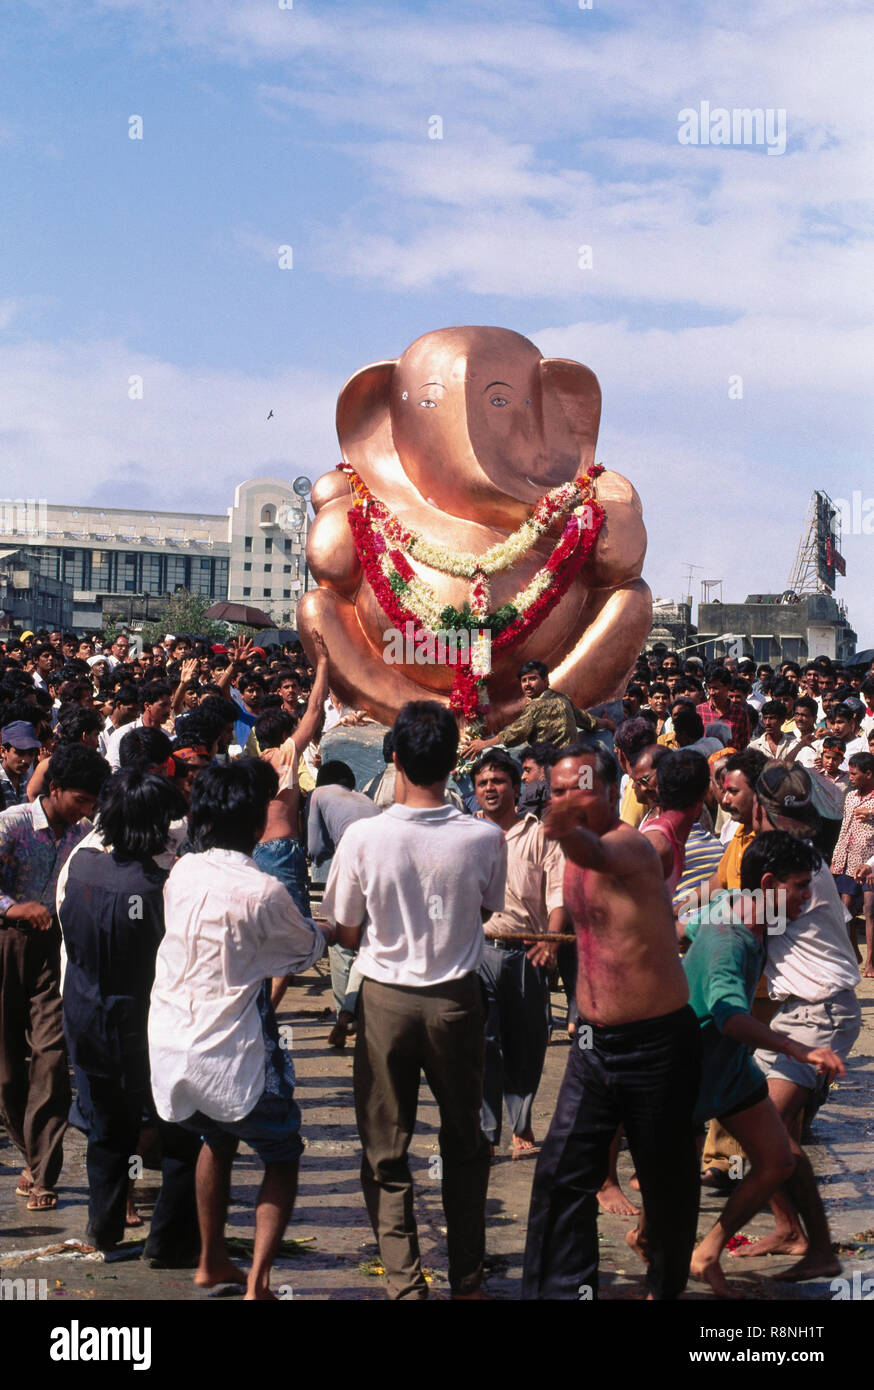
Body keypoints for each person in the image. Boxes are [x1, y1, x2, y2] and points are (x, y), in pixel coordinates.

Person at [322, 700, 507, 1300]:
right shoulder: (484, 836)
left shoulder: (363, 837)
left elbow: (346, 930)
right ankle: (468, 1280)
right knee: (466, 1145)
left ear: (394, 759)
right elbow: (481, 914)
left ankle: (405, 1284)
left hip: (386, 1001)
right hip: (456, 1001)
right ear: (455, 761)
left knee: (384, 1149)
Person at [520, 742, 701, 1300]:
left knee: (666, 1183)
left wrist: (563, 826)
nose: (567, 799)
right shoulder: (569, 850)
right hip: (593, 1046)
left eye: (580, 789)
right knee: (559, 1176)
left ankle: (663, 1288)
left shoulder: (631, 847)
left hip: (656, 1043)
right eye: (556, 791)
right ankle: (563, 1291)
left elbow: (595, 853)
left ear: (606, 790)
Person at [148, 760, 334, 1300]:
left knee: (215, 1138)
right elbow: (303, 949)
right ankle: (257, 1283)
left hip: (173, 1042)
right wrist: (334, 930)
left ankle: (211, 1260)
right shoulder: (263, 890)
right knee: (282, 1153)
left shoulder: (181, 872)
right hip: (230, 1047)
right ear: (258, 825)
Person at [680, 832, 845, 1296]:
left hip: (732, 1072)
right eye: (799, 887)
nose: (808, 898)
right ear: (769, 883)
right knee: (665, 1209)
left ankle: (709, 1249)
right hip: (690, 1073)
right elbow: (730, 1016)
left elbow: (683, 927)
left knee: (775, 1159)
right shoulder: (728, 939)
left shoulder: (742, 906)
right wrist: (796, 1049)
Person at [59, 769, 199, 1259]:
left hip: (87, 1017)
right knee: (182, 1132)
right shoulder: (160, 885)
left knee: (107, 1132)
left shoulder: (81, 869)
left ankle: (104, 1229)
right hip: (143, 1025)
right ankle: (168, 1241)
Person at [0, 744, 110, 1209]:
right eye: (80, 800)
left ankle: (44, 1173)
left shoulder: (84, 836)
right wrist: (13, 907)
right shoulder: (12, 823)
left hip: (56, 949)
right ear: (56, 789)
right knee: (7, 1070)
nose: (86, 811)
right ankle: (30, 1155)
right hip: (6, 942)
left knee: (50, 1057)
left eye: (92, 803)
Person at [471, 749, 566, 1157]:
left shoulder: (542, 834)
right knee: (483, 1044)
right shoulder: (465, 833)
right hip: (477, 951)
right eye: (482, 783)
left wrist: (550, 940)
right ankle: (486, 1133)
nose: (490, 788)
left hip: (528, 954)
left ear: (516, 786)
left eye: (498, 781)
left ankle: (521, 1125)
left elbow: (559, 896)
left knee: (528, 1044)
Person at [461, 659, 597, 758]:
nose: (527, 684)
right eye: (523, 680)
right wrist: (607, 723)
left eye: (532, 679)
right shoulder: (563, 699)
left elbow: (514, 735)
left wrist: (484, 744)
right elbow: (588, 721)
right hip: (574, 761)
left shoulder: (535, 706)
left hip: (553, 766)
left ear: (546, 680)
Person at [830, 751, 874, 976]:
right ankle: (854, 952)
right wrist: (836, 859)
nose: (851, 777)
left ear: (869, 773)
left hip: (870, 863)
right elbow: (844, 830)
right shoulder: (850, 797)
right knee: (844, 910)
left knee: (869, 910)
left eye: (854, 773)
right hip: (847, 862)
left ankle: (870, 962)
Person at [696, 667, 751, 750]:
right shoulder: (699, 711)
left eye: (715, 688)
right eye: (709, 688)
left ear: (727, 687)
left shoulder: (740, 713)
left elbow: (743, 743)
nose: (711, 693)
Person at [0, 719, 40, 808]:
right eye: (20, 753)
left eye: (31, 754)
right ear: (3, 751)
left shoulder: (29, 780)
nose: (25, 760)